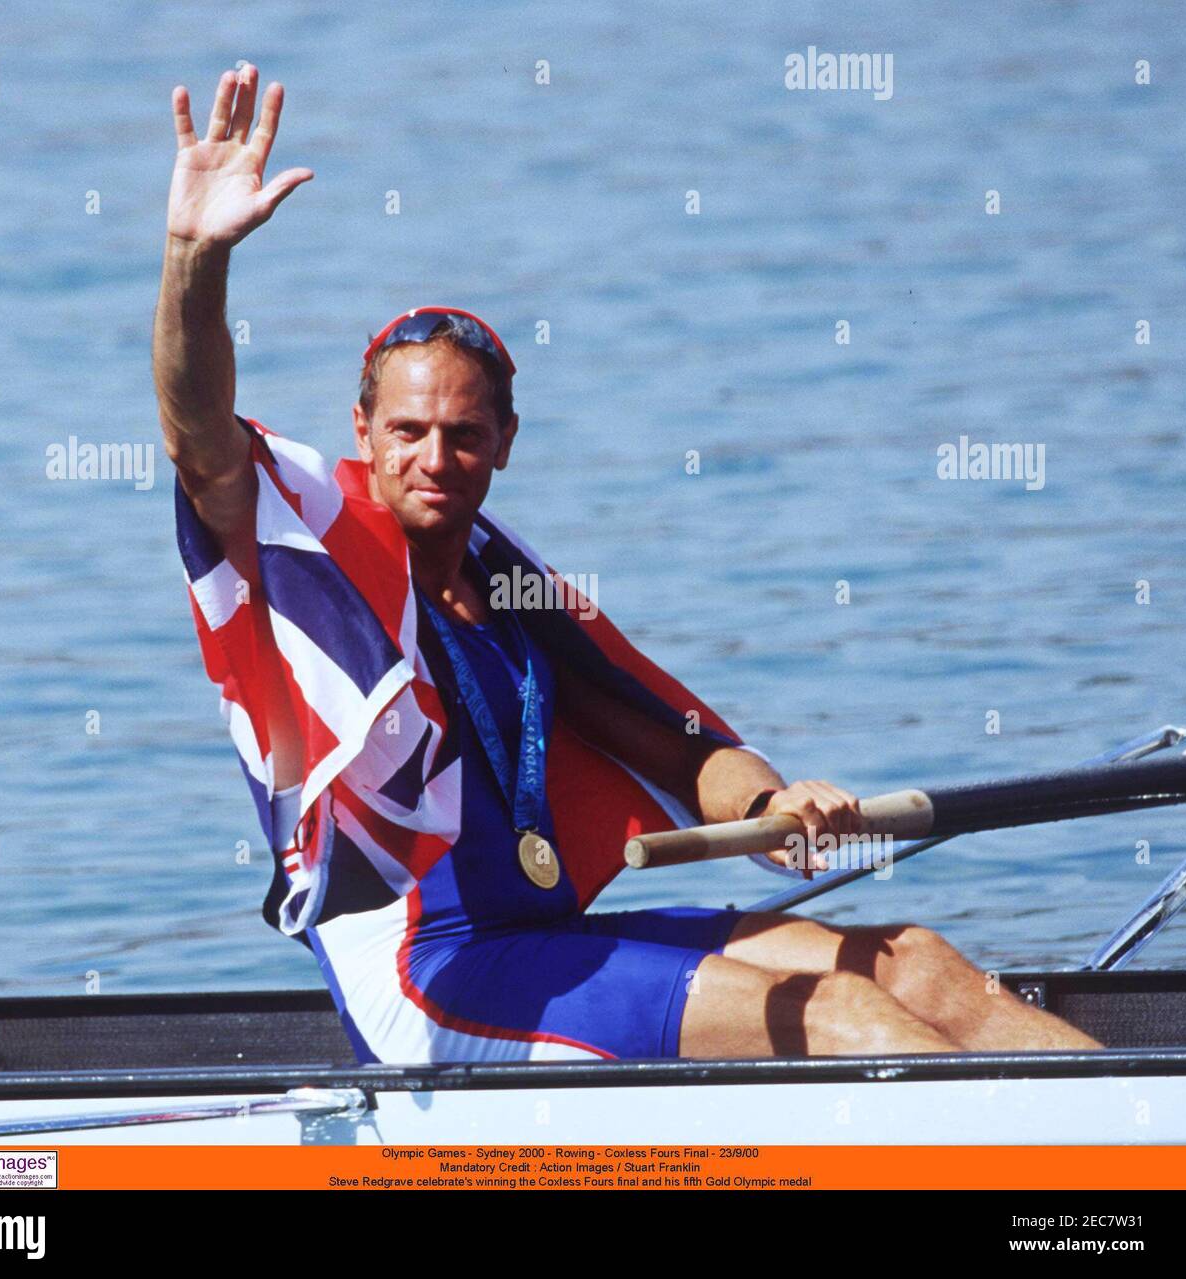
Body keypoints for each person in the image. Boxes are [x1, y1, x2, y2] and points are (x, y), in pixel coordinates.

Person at [153, 65, 1101, 1063]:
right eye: (409, 431)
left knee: (913, 966)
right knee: (839, 1019)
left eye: (465, 436)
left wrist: (773, 806)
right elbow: (197, 435)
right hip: (428, 980)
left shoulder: (513, 597)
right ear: (363, 431)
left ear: (506, 442)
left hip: (544, 940)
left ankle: (1139, 1149)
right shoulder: (316, 557)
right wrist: (193, 259)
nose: (435, 459)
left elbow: (688, 756)